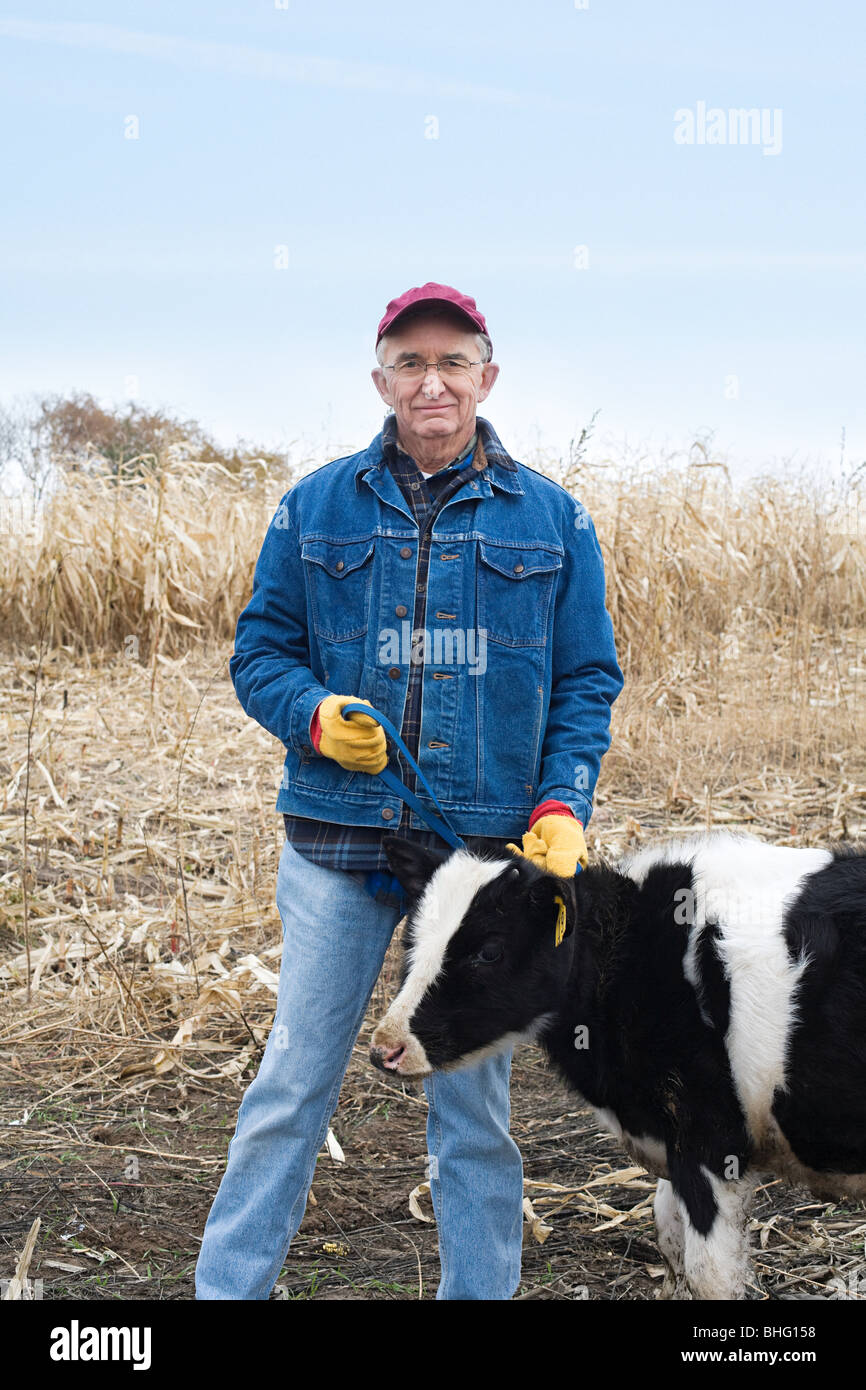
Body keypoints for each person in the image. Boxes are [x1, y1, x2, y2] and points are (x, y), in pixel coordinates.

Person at [195, 282, 624, 1300]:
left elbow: (584, 679)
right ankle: (227, 1291)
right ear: (379, 377)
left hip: (478, 865)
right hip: (336, 847)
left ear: (486, 374)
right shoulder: (314, 505)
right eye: (409, 361)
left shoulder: (553, 518)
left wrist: (561, 803)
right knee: (292, 1085)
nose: (431, 380)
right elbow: (260, 650)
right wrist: (309, 715)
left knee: (470, 1110)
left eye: (452, 360)